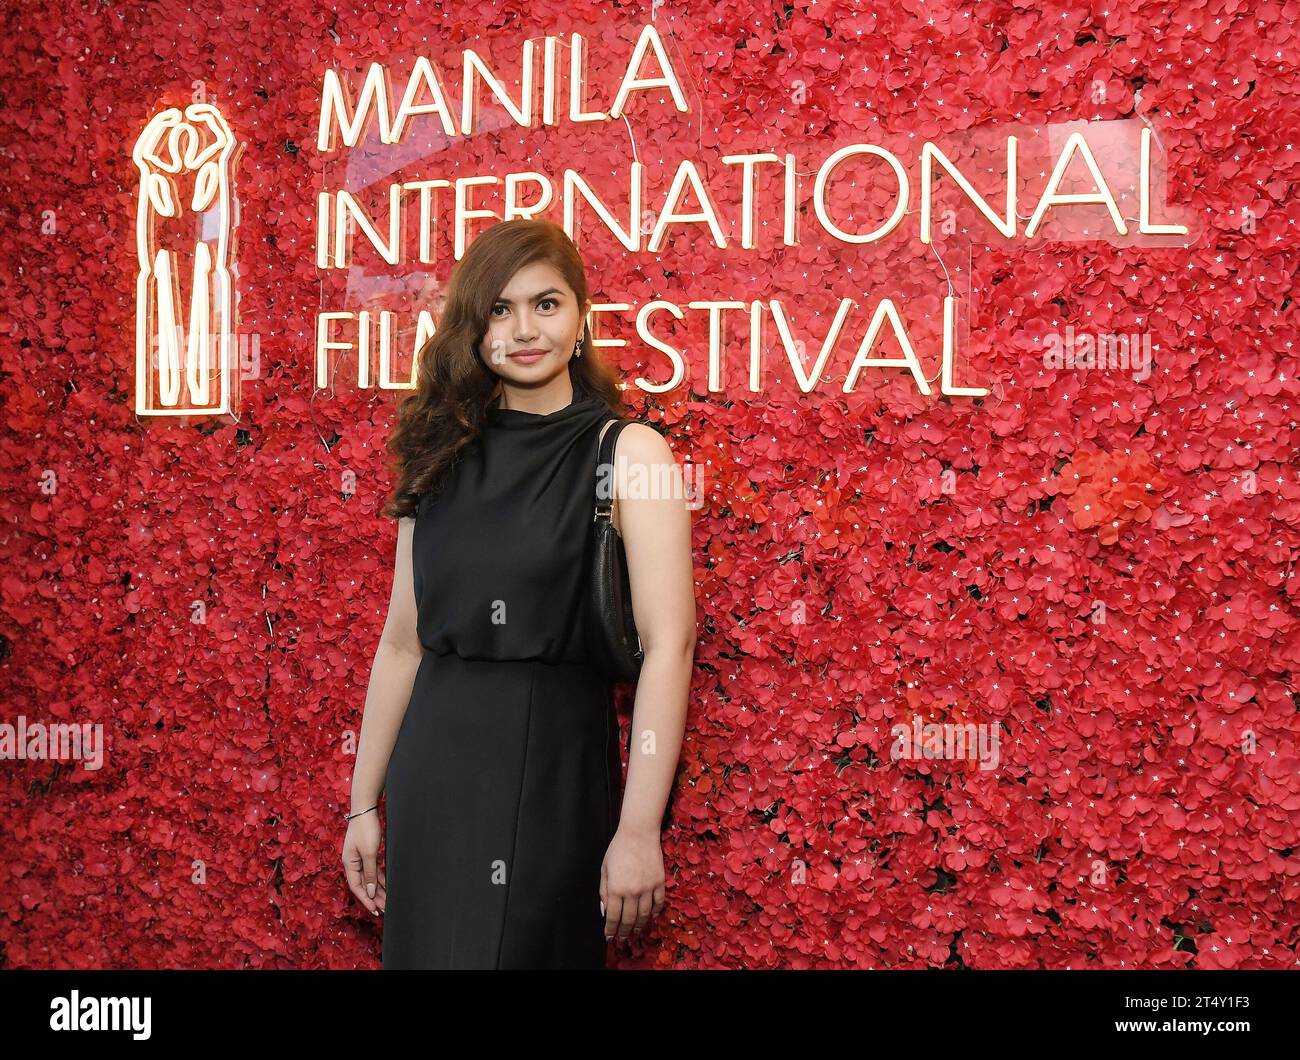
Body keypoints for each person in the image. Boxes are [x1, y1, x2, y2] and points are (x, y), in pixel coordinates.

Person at [341, 218, 697, 969]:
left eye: (546, 304)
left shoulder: (629, 453)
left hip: (552, 772)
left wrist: (639, 829)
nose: (524, 329)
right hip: (434, 775)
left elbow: (672, 645)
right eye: (499, 310)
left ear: (580, 318)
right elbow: (403, 642)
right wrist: (365, 803)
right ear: (472, 329)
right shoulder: (437, 454)